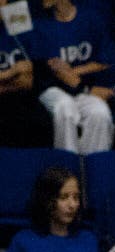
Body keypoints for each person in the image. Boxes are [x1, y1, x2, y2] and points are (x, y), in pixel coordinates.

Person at [34, 0, 115, 155]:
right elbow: (56, 72)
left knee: (100, 112)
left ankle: (92, 169)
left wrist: (72, 71)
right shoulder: (41, 26)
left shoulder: (91, 18)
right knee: (65, 108)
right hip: (53, 89)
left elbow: (105, 62)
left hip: (82, 89)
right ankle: (67, 169)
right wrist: (75, 80)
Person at [0, 0, 51, 146]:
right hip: (9, 91)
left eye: (4, 1)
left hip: (21, 98)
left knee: (38, 119)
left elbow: (28, 80)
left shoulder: (16, 17)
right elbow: (20, 74)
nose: (2, 5)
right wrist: (11, 72)